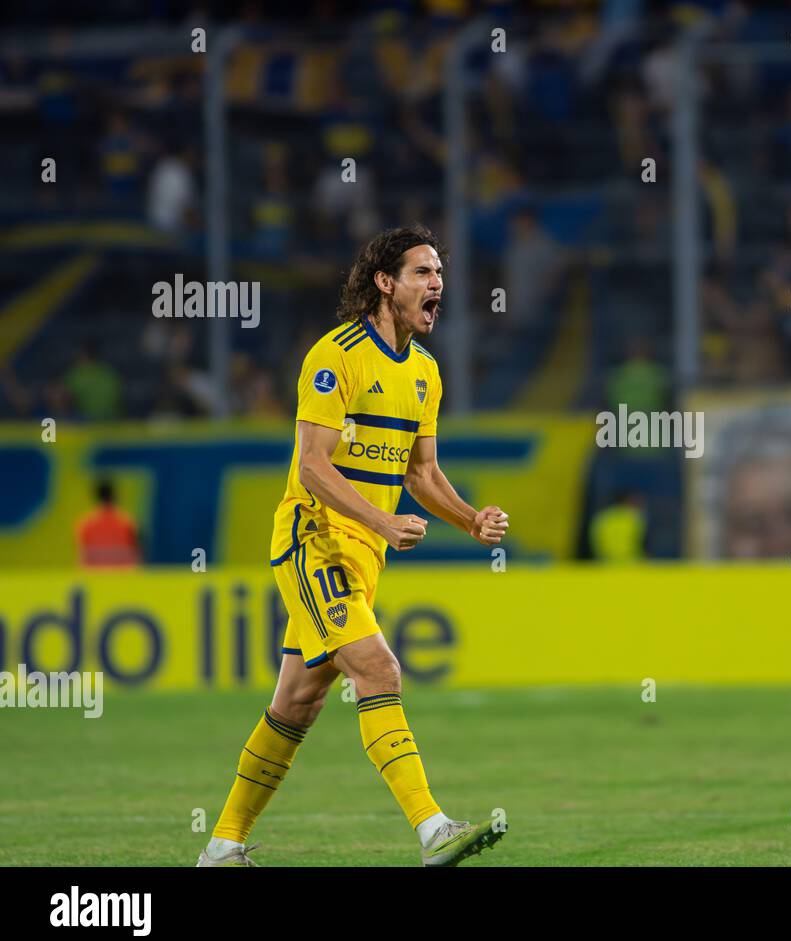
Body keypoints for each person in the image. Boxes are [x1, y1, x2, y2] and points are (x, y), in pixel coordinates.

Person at [199, 225, 511, 868]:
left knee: (298, 701)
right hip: (313, 542)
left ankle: (222, 847)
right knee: (380, 670)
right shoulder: (335, 355)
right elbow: (312, 466)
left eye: (438, 274)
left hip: (361, 556)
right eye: (422, 272)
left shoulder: (424, 373)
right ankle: (433, 831)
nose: (436, 284)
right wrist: (384, 520)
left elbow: (420, 474)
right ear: (384, 282)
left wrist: (468, 519)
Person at [75, 479, 141, 567]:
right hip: (123, 575)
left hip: (95, 575)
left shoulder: (86, 524)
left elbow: (83, 556)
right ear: (114, 496)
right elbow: (136, 552)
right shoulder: (127, 522)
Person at [589, 491, 647, 562]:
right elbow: (641, 541)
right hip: (631, 564)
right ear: (628, 502)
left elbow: (595, 540)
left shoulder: (602, 517)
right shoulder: (635, 517)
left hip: (606, 563)